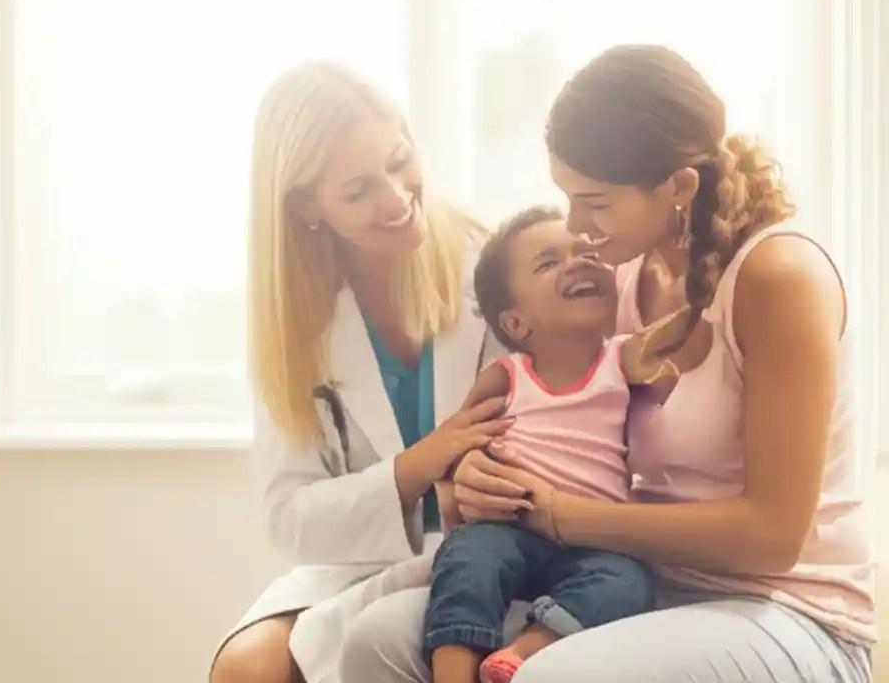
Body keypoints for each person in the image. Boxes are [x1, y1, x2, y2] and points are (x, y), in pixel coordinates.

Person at [339, 44, 876, 682]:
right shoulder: (615, 282)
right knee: (372, 640)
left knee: (553, 676)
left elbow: (774, 535)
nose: (576, 226)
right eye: (567, 197)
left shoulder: (778, 277)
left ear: (678, 186)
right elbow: (549, 417)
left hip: (784, 609)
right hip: (634, 585)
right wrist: (474, 477)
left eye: (594, 203)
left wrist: (564, 518)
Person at [208, 61, 513, 683]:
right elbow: (289, 516)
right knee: (246, 669)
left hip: (495, 550)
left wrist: (466, 486)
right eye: (357, 191)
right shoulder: (296, 323)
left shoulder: (498, 266)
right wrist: (416, 469)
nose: (396, 199)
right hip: (367, 562)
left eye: (399, 162)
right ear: (306, 207)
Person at [428, 206, 683, 683]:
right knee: (466, 558)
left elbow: (685, 334)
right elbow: (457, 443)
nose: (579, 262)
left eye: (588, 252)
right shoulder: (504, 377)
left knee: (628, 582)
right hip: (507, 530)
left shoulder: (622, 357)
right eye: (549, 263)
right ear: (517, 323)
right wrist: (463, 469)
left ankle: (525, 651)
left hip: (594, 542)